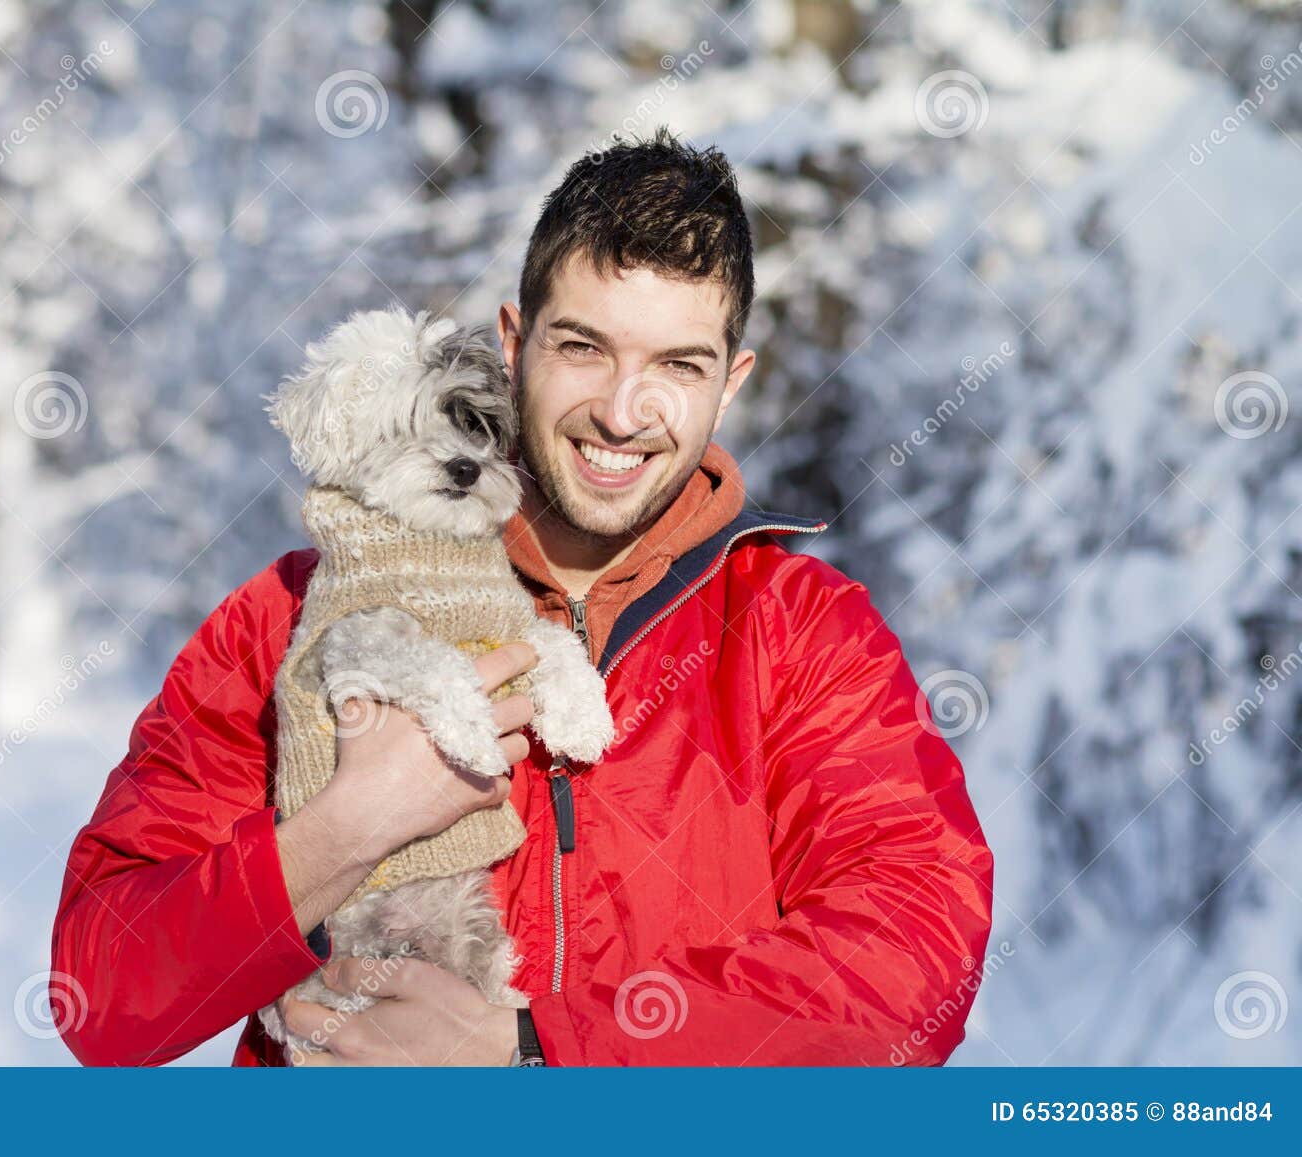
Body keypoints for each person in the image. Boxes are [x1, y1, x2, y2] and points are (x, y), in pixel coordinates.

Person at [50, 127, 994, 1067]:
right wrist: (342, 830)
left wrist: (538, 1050)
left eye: (677, 365)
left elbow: (912, 954)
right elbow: (100, 995)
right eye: (584, 347)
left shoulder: (801, 632)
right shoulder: (298, 614)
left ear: (731, 382)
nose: (623, 412)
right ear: (514, 342)